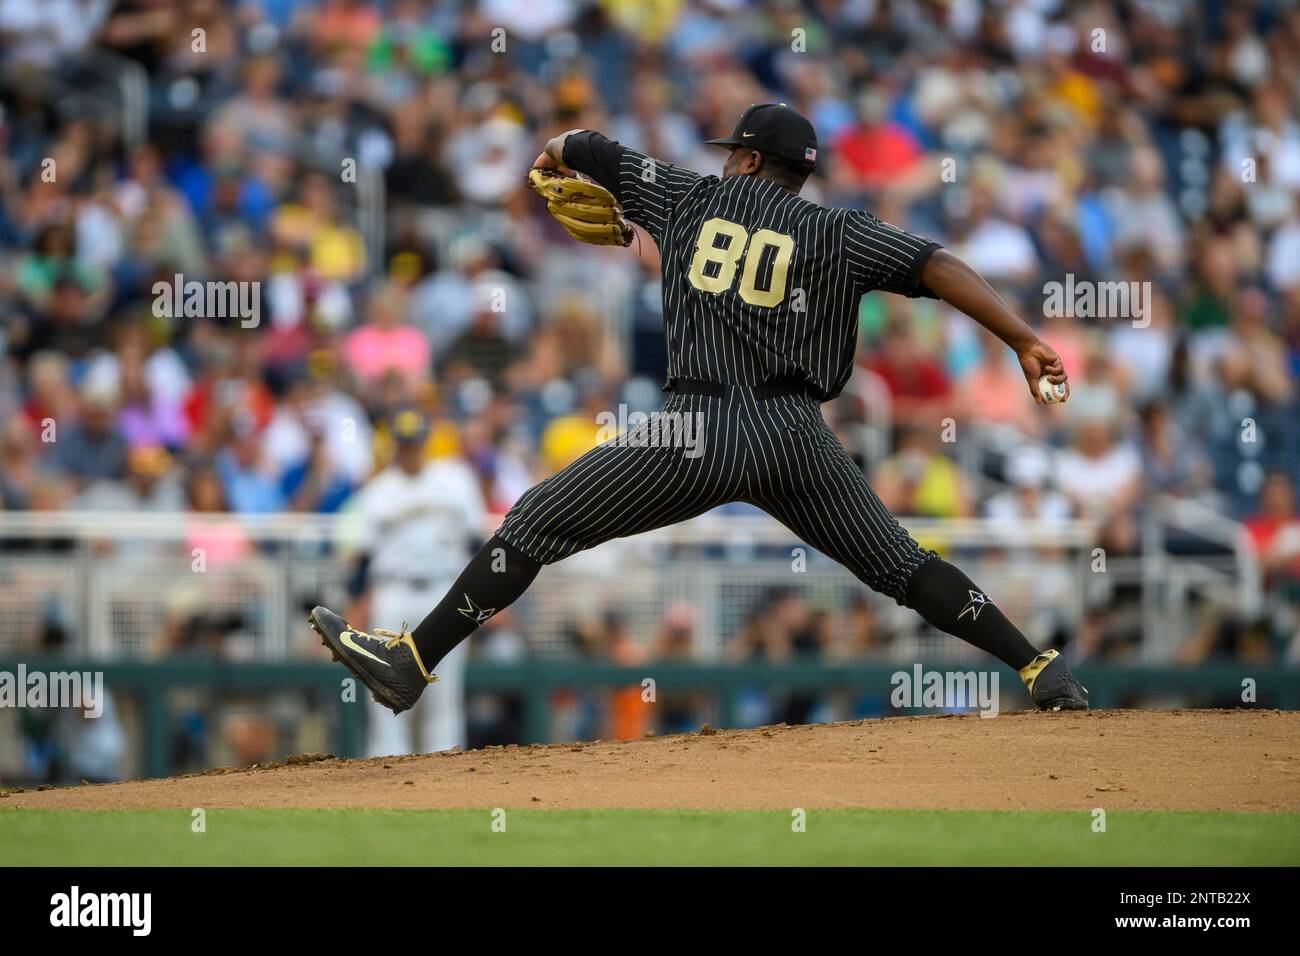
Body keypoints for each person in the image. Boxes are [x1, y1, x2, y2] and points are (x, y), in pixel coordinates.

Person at [310, 103, 1088, 718]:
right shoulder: (838, 231)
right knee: (903, 566)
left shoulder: (688, 195)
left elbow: (579, 143)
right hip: (795, 436)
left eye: (731, 151)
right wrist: (1021, 339)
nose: (723, 160)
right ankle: (1037, 664)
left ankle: (412, 662)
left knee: (537, 520)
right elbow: (939, 264)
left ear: (748, 159)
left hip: (698, 429)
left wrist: (551, 158)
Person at [341, 408, 486, 754]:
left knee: (444, 690)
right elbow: (361, 559)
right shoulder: (377, 491)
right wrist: (357, 603)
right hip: (394, 592)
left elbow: (477, 545)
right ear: (395, 446)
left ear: (425, 443)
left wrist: (482, 601)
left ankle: (446, 772)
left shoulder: (455, 480)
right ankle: (386, 770)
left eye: (415, 443)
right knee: (384, 688)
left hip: (444, 590)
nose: (410, 450)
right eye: (404, 444)